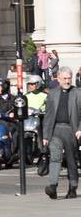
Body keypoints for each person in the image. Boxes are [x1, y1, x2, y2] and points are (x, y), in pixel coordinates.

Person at [41, 68, 81, 200]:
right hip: (55, 130)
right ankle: (52, 186)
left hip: (71, 130)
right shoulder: (52, 94)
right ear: (58, 79)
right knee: (55, 157)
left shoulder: (77, 93)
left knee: (71, 160)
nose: (67, 81)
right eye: (64, 78)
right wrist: (45, 136)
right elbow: (48, 116)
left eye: (69, 78)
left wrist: (79, 129)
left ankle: (73, 187)